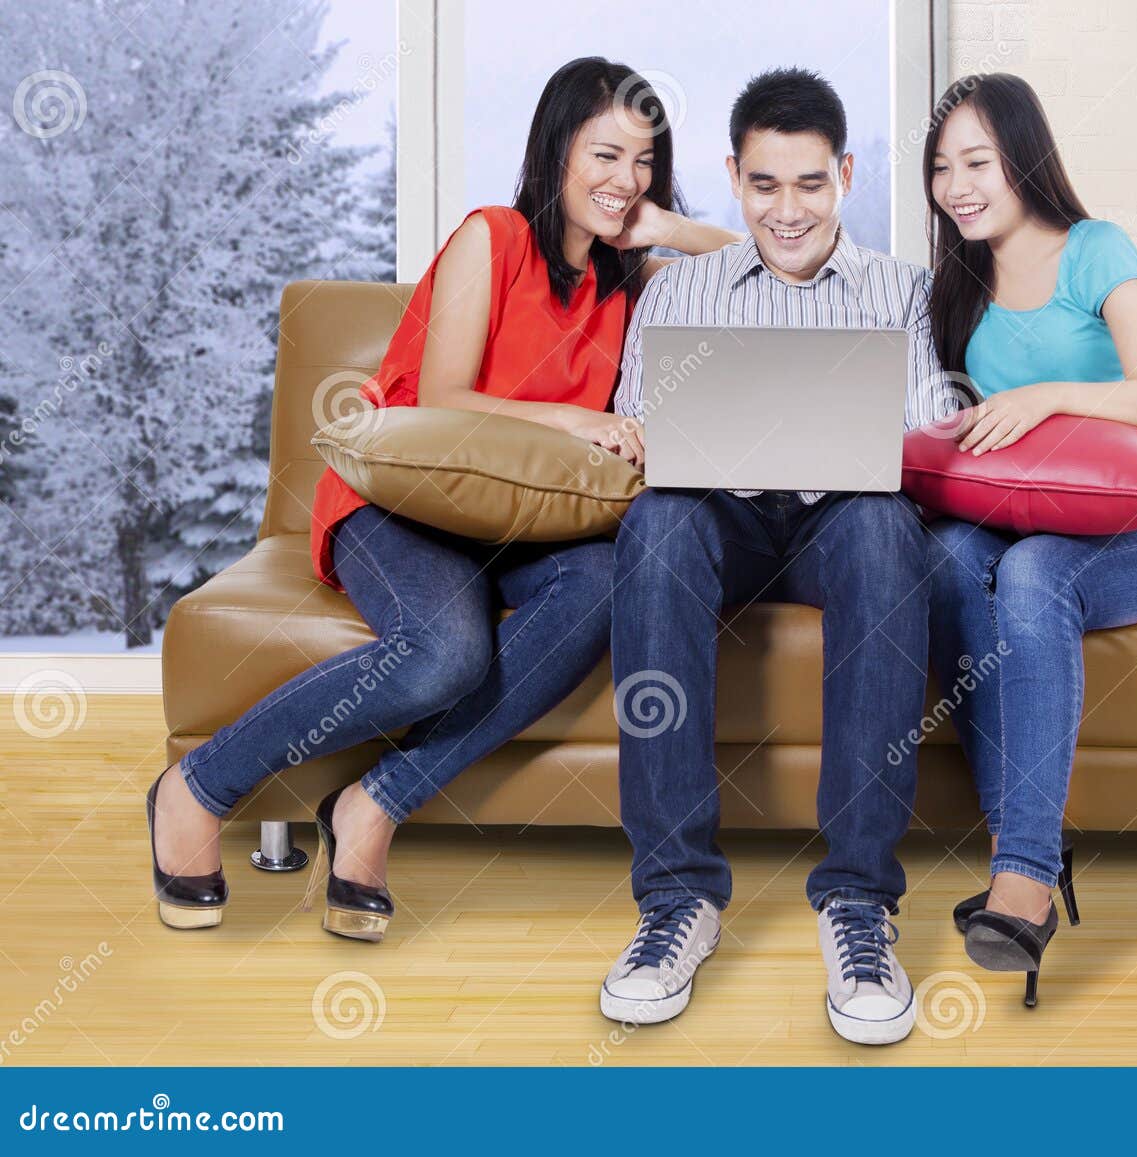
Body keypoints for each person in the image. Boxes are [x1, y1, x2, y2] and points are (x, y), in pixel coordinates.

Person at [145, 56, 739, 941]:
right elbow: (440, 400)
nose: (625, 180)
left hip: (521, 522)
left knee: (610, 579)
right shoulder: (490, 237)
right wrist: (577, 421)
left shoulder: (632, 283)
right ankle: (198, 787)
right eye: (605, 155)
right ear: (556, 149)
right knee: (445, 652)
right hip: (401, 506)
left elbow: (762, 272)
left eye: (644, 161)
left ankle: (373, 804)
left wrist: (668, 226)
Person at [594, 68, 952, 1046]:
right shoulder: (680, 290)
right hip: (722, 524)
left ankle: (860, 902)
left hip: (842, 521)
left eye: (806, 183)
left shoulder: (900, 290)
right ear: (732, 177)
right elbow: (642, 423)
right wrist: (635, 436)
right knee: (657, 523)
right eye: (762, 185)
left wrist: (889, 422)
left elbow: (932, 423)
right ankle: (676, 900)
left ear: (840, 175)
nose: (785, 210)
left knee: (885, 528)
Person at [923, 73, 1137, 1005]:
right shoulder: (961, 279)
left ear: (1026, 158)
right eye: (942, 168)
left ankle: (1021, 876)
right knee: (939, 558)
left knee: (1033, 575)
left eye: (978, 161)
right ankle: (1034, 842)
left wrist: (1045, 394)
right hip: (1035, 511)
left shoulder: (1097, 250)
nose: (958, 185)